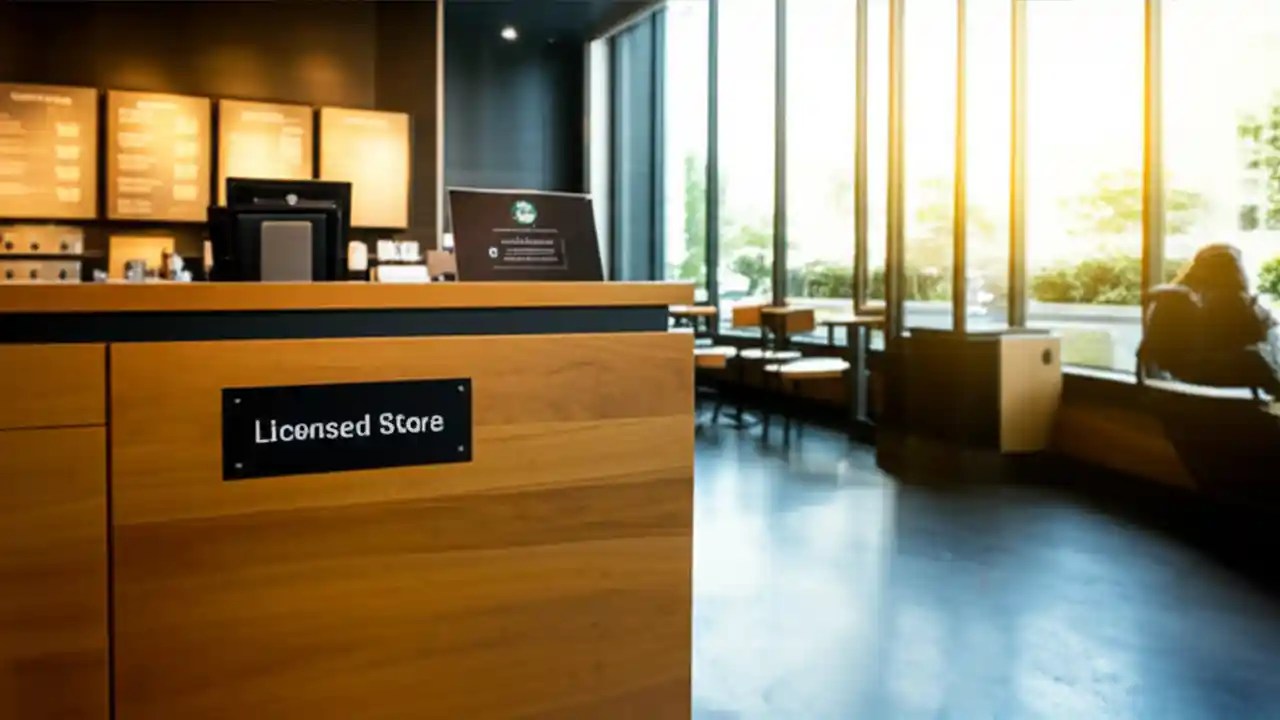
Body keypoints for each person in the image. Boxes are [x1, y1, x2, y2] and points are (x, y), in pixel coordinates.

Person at [1147, 243, 1280, 399]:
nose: (1241, 271)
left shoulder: (1186, 293)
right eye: (1236, 265)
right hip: (1192, 371)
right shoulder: (1199, 298)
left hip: (1184, 371)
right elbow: (1242, 337)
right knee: (1256, 361)